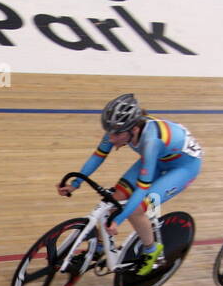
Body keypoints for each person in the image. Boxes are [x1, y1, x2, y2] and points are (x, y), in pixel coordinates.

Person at [59, 93, 203, 276]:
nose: (111, 138)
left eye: (117, 134)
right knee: (115, 198)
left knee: (136, 210)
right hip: (161, 158)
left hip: (184, 167)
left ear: (133, 129)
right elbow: (98, 156)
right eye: (109, 131)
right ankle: (101, 248)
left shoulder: (151, 141)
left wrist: (117, 220)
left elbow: (143, 188)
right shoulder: (118, 127)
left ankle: (151, 251)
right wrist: (75, 183)